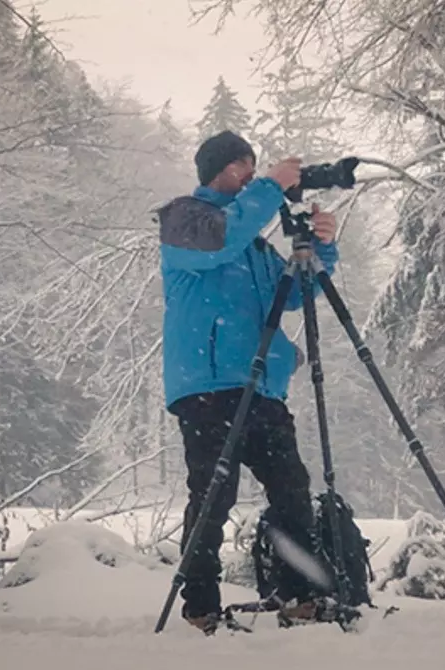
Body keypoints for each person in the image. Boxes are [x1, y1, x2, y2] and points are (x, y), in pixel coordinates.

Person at [155, 130, 340, 632]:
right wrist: (272, 189)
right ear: (216, 171)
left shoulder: (255, 245)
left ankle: (297, 596)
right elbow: (220, 241)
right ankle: (201, 607)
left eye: (255, 167)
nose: (252, 175)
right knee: (214, 494)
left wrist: (323, 249)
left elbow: (297, 292)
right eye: (243, 166)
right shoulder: (185, 220)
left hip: (261, 387)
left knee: (292, 489)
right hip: (208, 384)